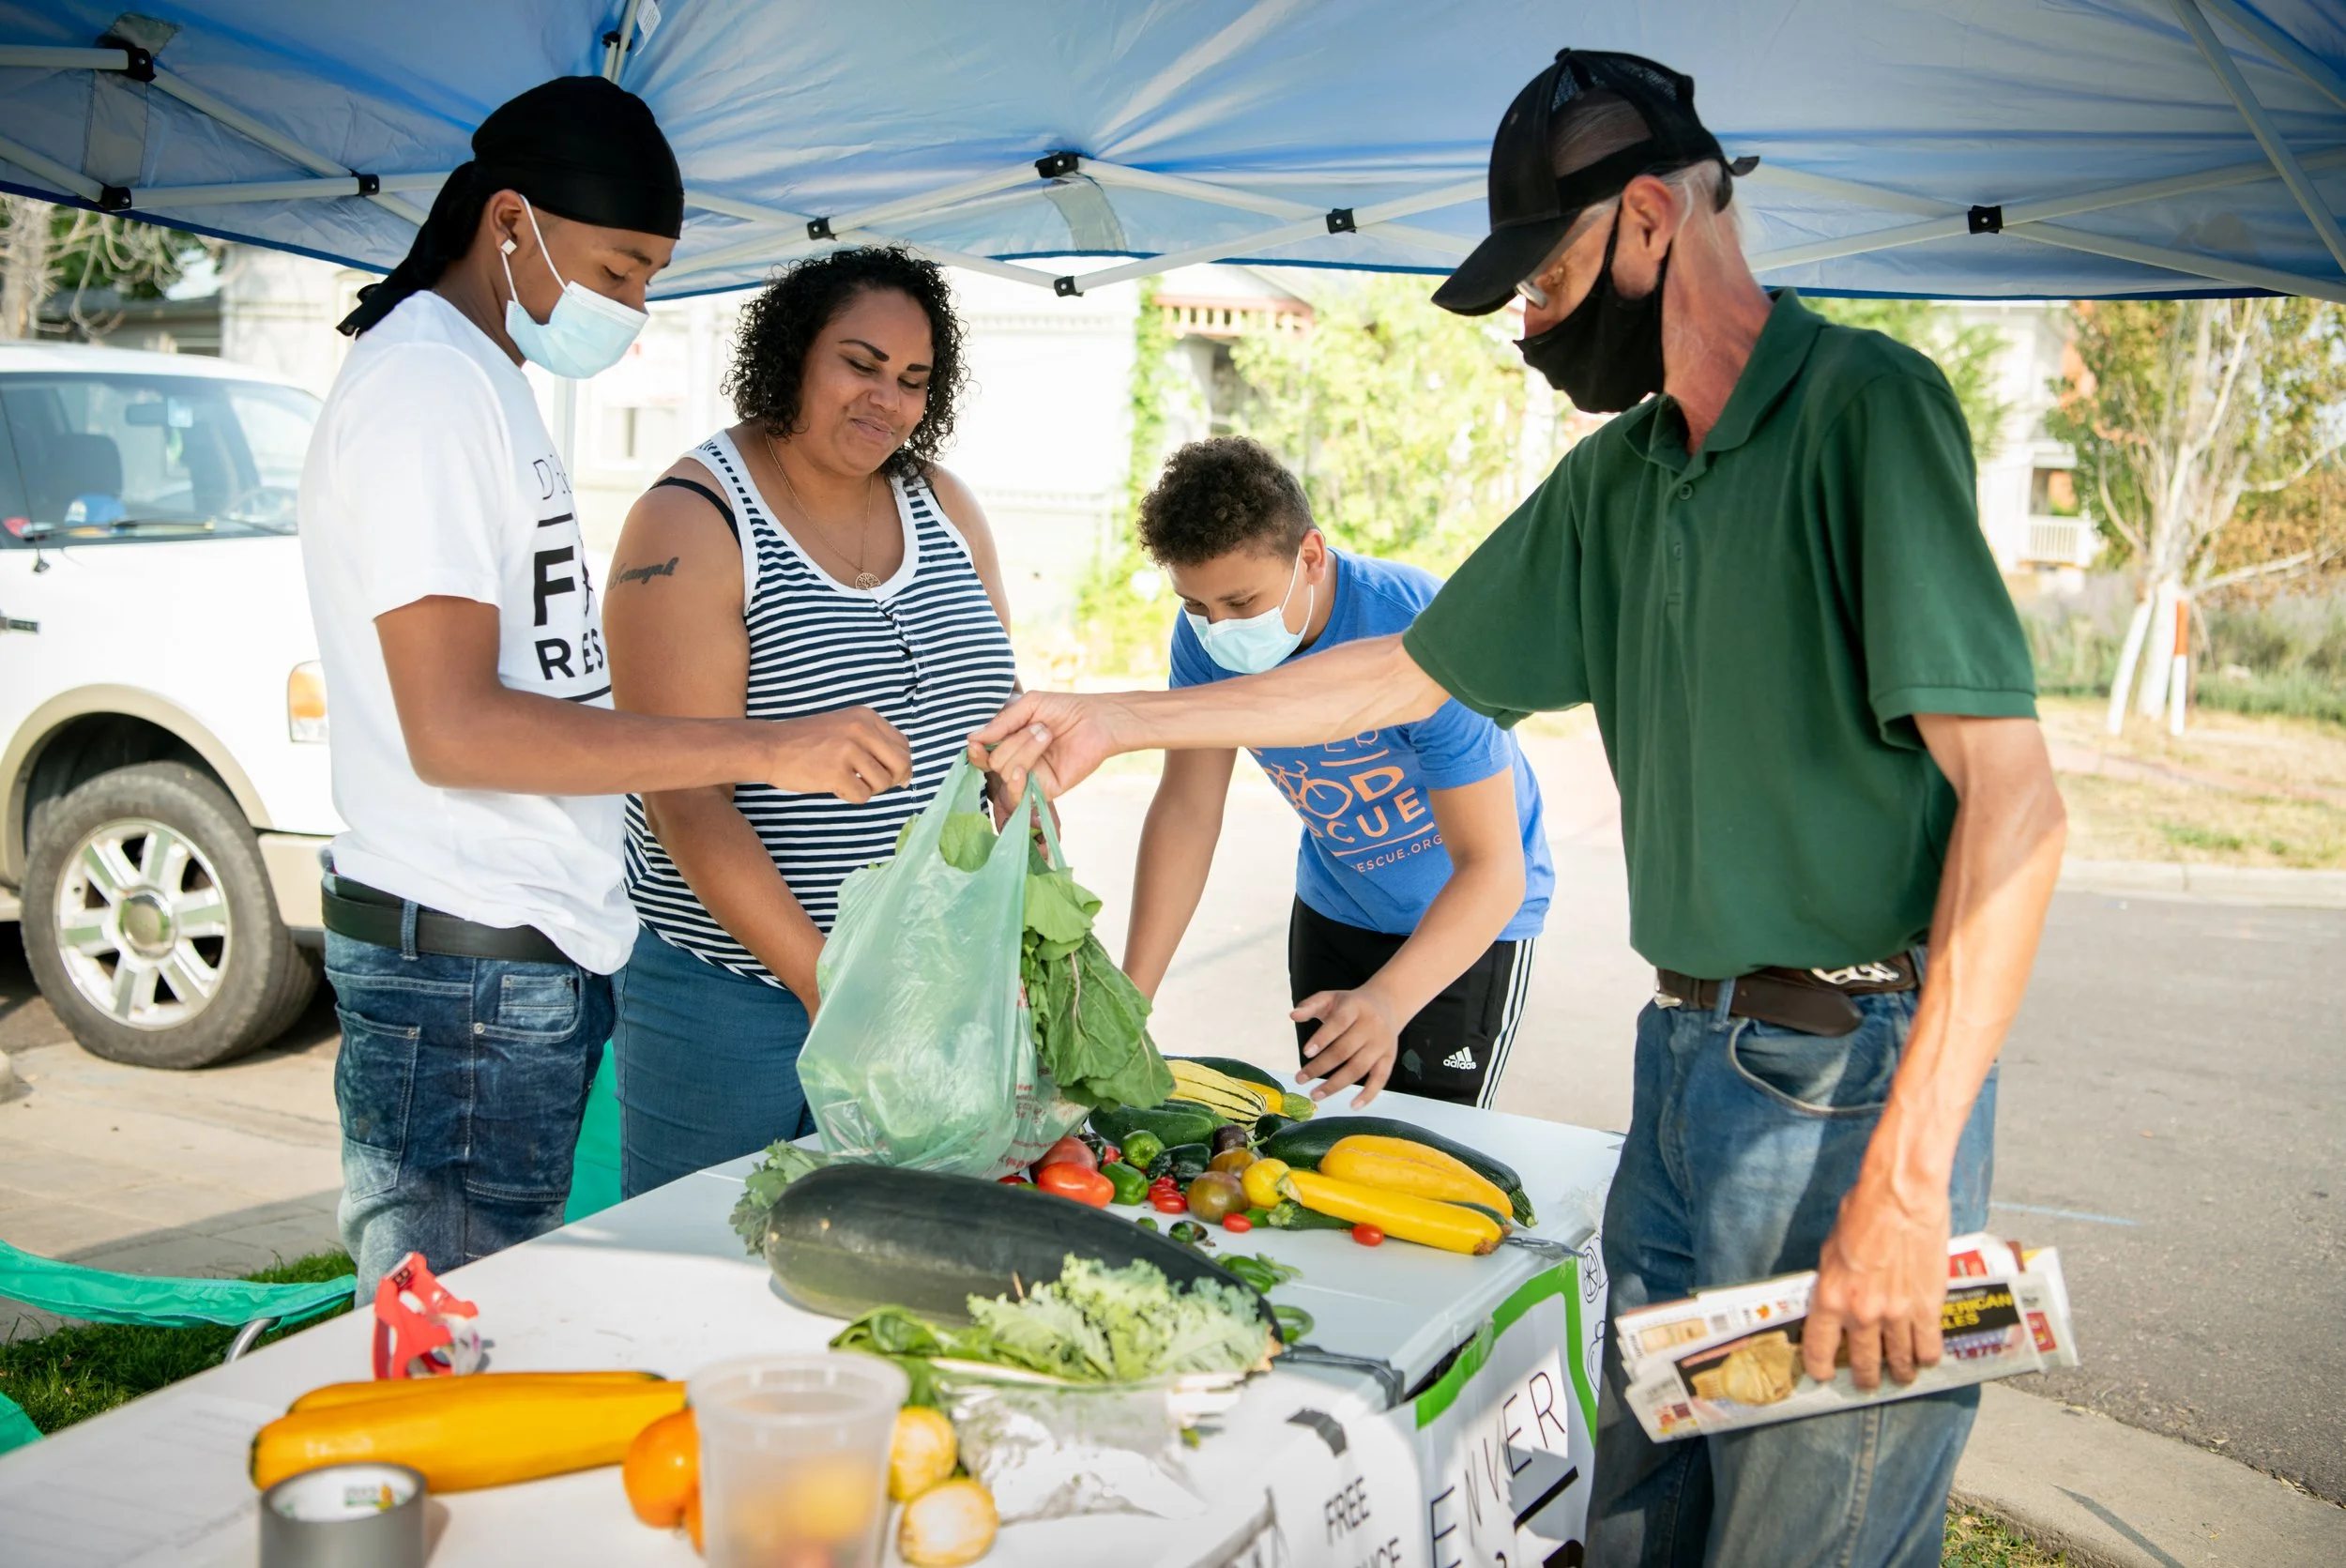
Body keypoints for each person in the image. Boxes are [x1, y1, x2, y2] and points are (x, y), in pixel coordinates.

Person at [974, 48, 2067, 1568]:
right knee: (1651, 1515)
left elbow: (2016, 815)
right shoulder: (1624, 476)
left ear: (1645, 219)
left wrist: (1909, 1177)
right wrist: (1120, 716)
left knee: (1812, 1533)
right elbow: (1391, 679)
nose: (1534, 333)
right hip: (1687, 1065)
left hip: (1850, 1085)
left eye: (1543, 285)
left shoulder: (1863, 413)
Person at [301, 78, 910, 1291]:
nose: (633, 309)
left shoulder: (481, 378)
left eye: (647, 280)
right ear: (511, 219)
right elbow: (456, 729)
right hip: (465, 970)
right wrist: (761, 746)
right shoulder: (425, 388)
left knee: (506, 1348)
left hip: (517, 960)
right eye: (621, 270)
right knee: (457, 1367)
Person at [601, 247, 1018, 1197]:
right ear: (792, 353)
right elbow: (683, 797)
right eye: (859, 364)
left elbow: (993, 721)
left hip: (924, 989)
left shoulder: (945, 505)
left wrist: (1016, 805)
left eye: (914, 380)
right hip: (732, 1002)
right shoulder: (693, 519)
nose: (887, 400)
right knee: (700, 1265)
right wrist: (832, 988)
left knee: (879, 1271)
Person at [1121, 436, 1551, 1108]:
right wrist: (1131, 1000)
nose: (1219, 630)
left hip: (1467, 921)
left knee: (1435, 1153)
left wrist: (1390, 997)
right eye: (1196, 606)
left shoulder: (1420, 626)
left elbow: (1494, 867)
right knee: (1329, 1143)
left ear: (1311, 557)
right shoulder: (1202, 640)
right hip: (1336, 908)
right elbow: (1188, 809)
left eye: (1240, 602)